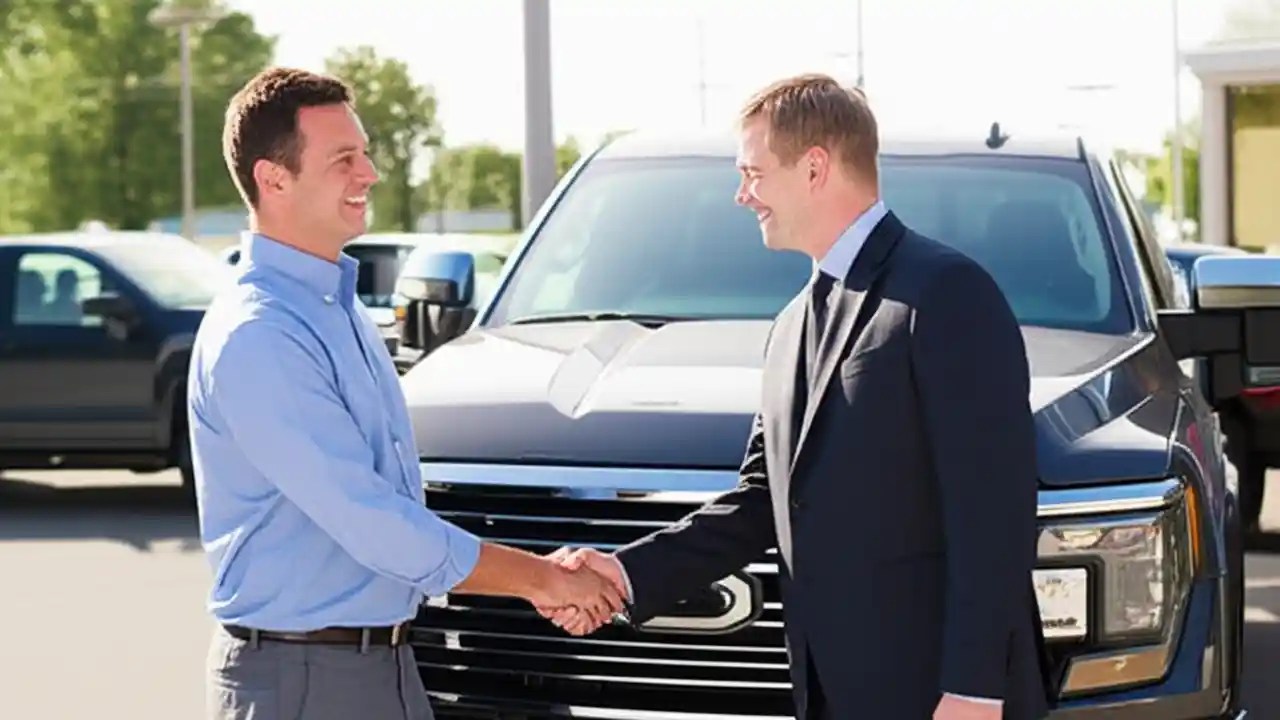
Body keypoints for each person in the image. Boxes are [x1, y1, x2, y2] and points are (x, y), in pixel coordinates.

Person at [543, 74, 1051, 720]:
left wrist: (975, 689)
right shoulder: (788, 327)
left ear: (814, 168)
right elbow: (764, 499)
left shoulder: (946, 293)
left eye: (754, 173)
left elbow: (994, 513)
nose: (742, 195)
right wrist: (625, 574)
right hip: (831, 692)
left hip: (939, 697)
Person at [189, 67, 623, 720]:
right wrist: (543, 580)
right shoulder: (262, 336)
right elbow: (374, 523)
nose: (368, 174)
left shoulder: (334, 309)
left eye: (364, 154)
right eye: (344, 159)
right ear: (272, 179)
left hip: (381, 669)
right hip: (303, 682)